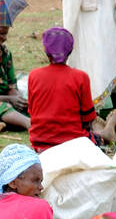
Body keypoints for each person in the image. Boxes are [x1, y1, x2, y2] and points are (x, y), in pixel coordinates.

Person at [26, 27, 97, 155]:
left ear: (46, 50)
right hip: (73, 142)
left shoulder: (34, 76)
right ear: (70, 50)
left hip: (40, 143)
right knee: (96, 136)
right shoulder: (81, 77)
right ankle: (107, 132)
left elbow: (32, 112)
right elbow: (88, 118)